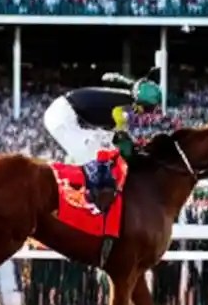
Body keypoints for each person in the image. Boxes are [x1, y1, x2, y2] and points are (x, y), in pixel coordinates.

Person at [42, 67, 162, 212]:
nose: (148, 114)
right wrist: (136, 149)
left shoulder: (126, 101)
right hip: (62, 116)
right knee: (94, 159)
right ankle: (88, 203)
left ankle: (84, 194)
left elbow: (116, 138)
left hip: (67, 114)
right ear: (141, 104)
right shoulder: (123, 109)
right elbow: (120, 140)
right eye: (149, 109)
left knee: (102, 155)